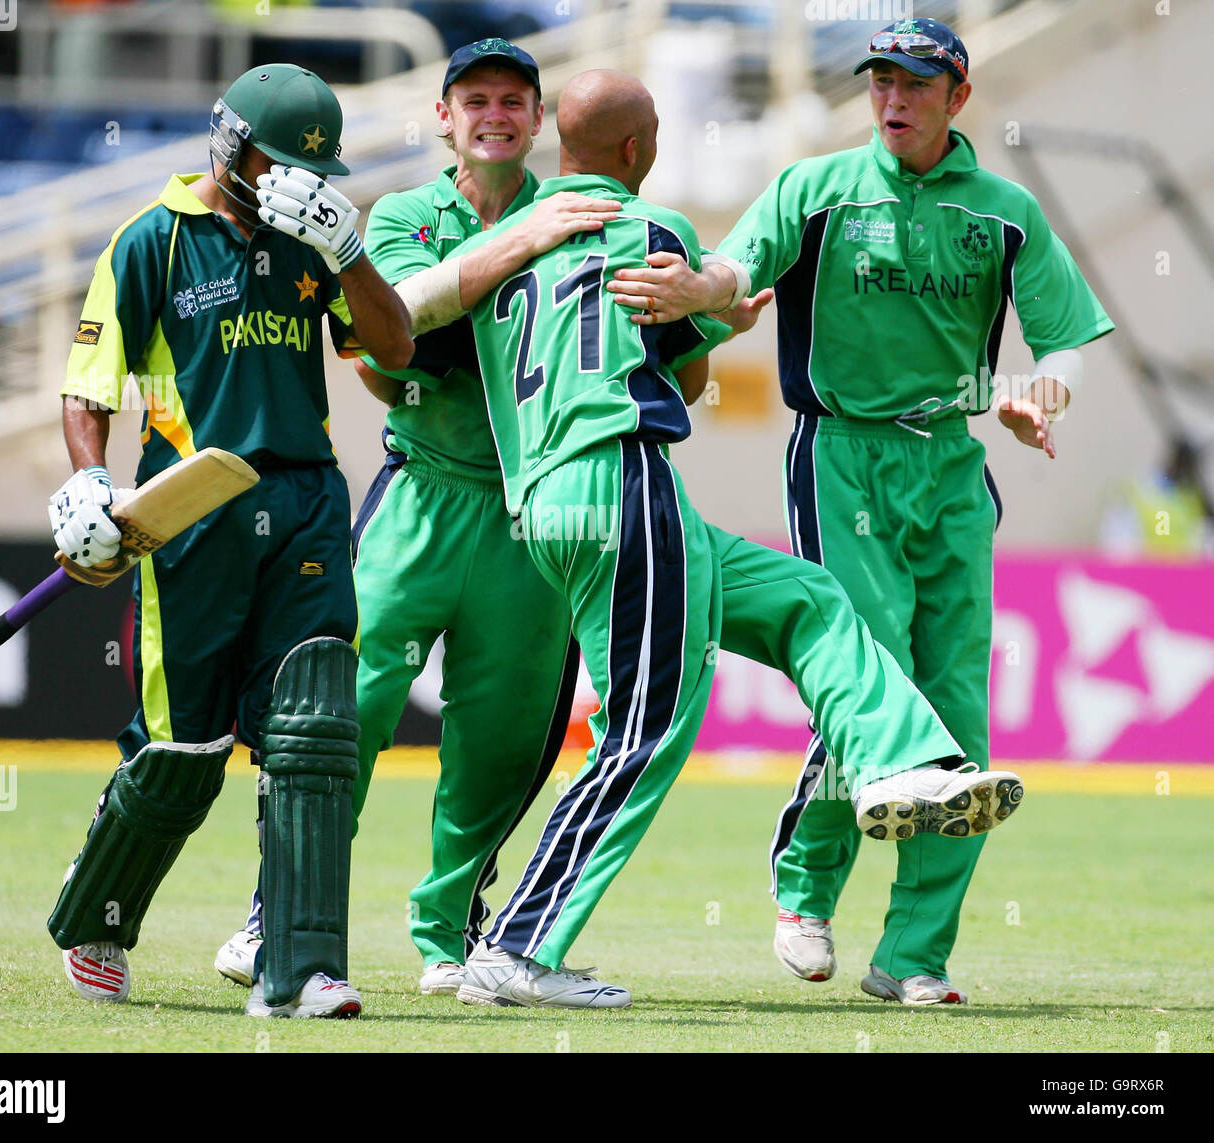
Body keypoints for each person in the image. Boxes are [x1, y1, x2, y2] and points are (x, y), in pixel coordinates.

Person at [415, 68, 1023, 1010]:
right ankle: (517, 945)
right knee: (644, 730)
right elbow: (692, 365)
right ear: (637, 149)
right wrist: (720, 309)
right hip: (624, 480)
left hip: (539, 503)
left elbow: (406, 330)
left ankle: (896, 762)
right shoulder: (655, 233)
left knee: (807, 601)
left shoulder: (500, 244)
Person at [605, 17, 1114, 1005]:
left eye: (916, 82)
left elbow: (1063, 344)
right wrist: (692, 289)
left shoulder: (1005, 211)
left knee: (957, 719)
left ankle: (914, 957)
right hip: (840, 455)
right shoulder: (815, 187)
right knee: (869, 673)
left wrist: (1038, 393)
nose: (892, 96)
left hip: (954, 472)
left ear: (956, 97)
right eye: (881, 78)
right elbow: (735, 273)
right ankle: (804, 888)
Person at [214, 39, 622, 996]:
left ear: (538, 118)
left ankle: (451, 940)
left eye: (514, 101)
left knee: (502, 740)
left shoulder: (581, 207)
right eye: (474, 98)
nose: (495, 114)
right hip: (424, 489)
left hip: (534, 509)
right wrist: (517, 251)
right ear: (444, 117)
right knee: (336, 715)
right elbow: (401, 323)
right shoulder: (404, 212)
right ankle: (277, 912)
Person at [48, 63, 412, 1018]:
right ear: (228, 143)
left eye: (309, 169)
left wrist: (349, 251)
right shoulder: (149, 240)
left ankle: (299, 971)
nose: (291, 181)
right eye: (277, 161)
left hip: (305, 498)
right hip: (191, 508)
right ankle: (100, 915)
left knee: (315, 729)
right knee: (182, 751)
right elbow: (90, 382)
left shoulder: (314, 238)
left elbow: (396, 346)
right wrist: (90, 482)